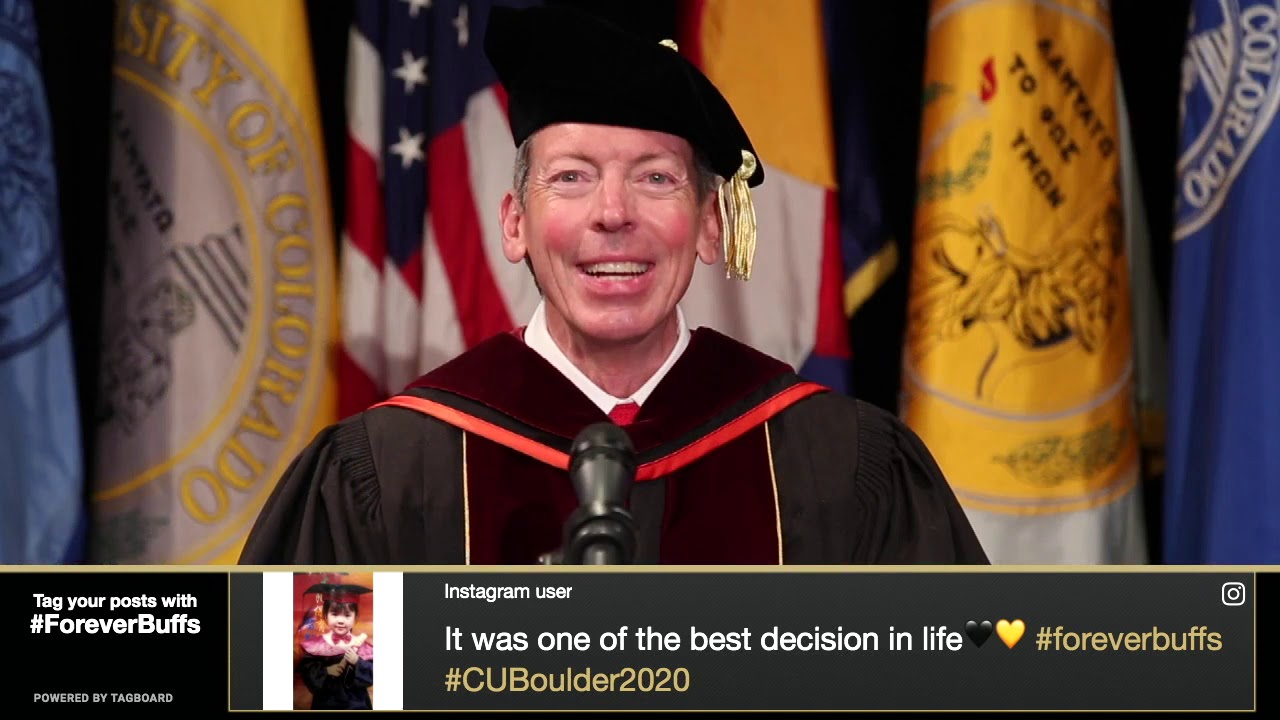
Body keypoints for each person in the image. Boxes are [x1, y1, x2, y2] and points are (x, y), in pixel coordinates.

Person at [239, 4, 988, 565]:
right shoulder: (395, 466)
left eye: (656, 180)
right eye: (571, 178)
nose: (613, 215)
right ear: (514, 224)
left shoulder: (840, 459)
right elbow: (311, 684)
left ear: (708, 225)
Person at [295, 583, 374, 710]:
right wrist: (326, 671)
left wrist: (357, 662)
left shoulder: (364, 648)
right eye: (335, 614)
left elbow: (373, 675)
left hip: (356, 704)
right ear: (325, 616)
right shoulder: (316, 645)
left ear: (355, 618)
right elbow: (307, 672)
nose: (341, 620)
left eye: (347, 615)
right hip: (326, 703)